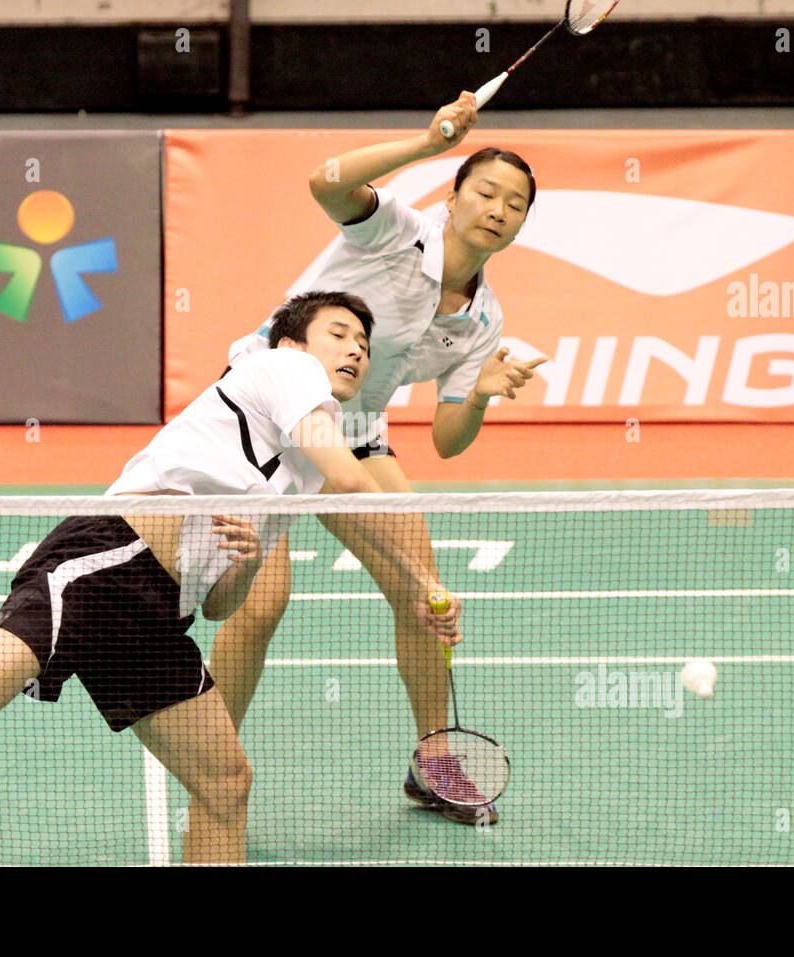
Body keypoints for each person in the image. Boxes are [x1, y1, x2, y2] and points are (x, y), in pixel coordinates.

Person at [0, 291, 457, 865]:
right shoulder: (282, 372)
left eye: (364, 342)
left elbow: (227, 600)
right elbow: (355, 485)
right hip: (106, 564)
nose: (357, 350)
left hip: (164, 613)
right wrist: (420, 582)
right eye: (340, 334)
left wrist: (249, 554)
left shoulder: (294, 474)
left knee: (226, 784)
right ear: (292, 341)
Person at [212, 94, 546, 826]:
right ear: (454, 197)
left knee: (426, 595)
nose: (496, 208)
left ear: (522, 223)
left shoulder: (484, 319)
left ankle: (433, 763)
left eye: (514, 203)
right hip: (277, 405)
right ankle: (213, 759)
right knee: (260, 600)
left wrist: (483, 393)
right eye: (484, 191)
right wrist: (426, 141)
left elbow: (448, 439)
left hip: (357, 425)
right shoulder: (396, 229)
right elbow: (326, 182)